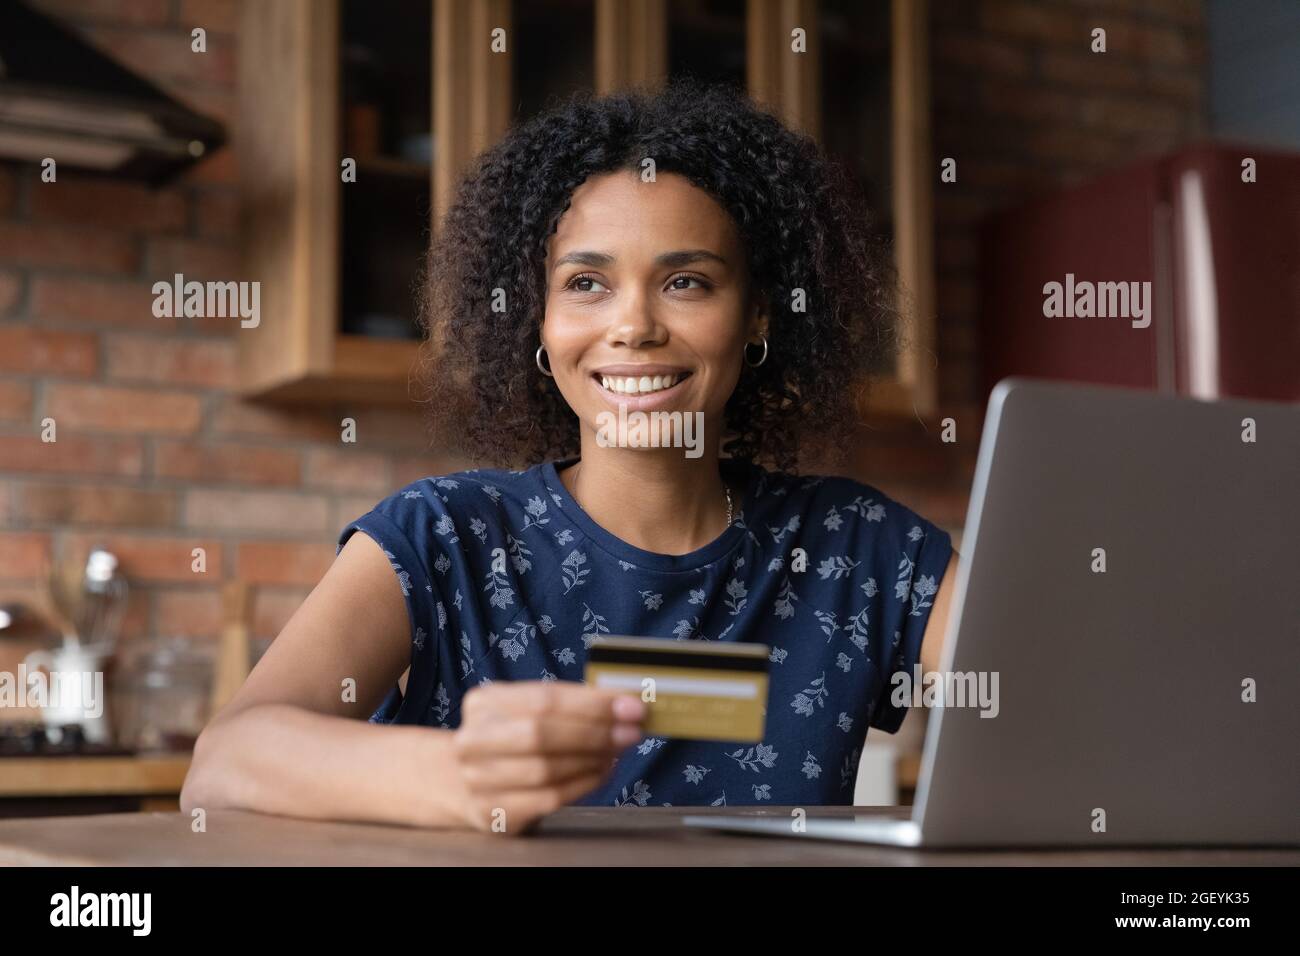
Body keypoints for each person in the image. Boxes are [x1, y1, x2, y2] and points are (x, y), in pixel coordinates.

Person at [182, 79, 959, 834]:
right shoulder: (442, 535)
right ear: (539, 325)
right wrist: (455, 775)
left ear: (756, 315)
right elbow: (222, 767)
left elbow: (1047, 718)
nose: (634, 326)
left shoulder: (862, 548)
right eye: (586, 282)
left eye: (686, 281)